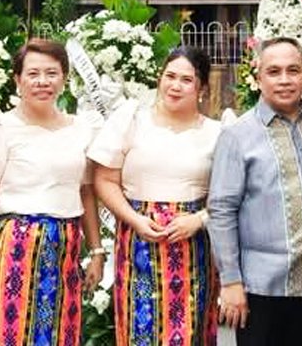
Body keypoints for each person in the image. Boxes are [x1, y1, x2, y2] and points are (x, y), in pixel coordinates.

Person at [0, 38, 105, 346]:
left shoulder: (81, 129)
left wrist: (97, 251)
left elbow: (86, 191)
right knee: (13, 333)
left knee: (61, 331)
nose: (42, 82)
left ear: (65, 78)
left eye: (52, 73)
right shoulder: (1, 127)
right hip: (16, 245)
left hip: (66, 245)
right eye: (33, 74)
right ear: (17, 79)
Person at [207, 37, 302, 346]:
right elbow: (221, 212)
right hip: (262, 289)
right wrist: (231, 281)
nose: (285, 80)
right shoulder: (238, 136)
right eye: (274, 71)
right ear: (258, 78)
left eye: (293, 70)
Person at [89, 47, 227, 345]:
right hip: (138, 240)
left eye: (186, 80)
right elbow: (104, 179)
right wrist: (135, 220)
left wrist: (199, 220)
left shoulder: (219, 133)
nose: (175, 86)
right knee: (140, 330)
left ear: (201, 88)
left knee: (189, 331)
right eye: (170, 76)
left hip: (192, 247)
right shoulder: (131, 120)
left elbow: (230, 194)